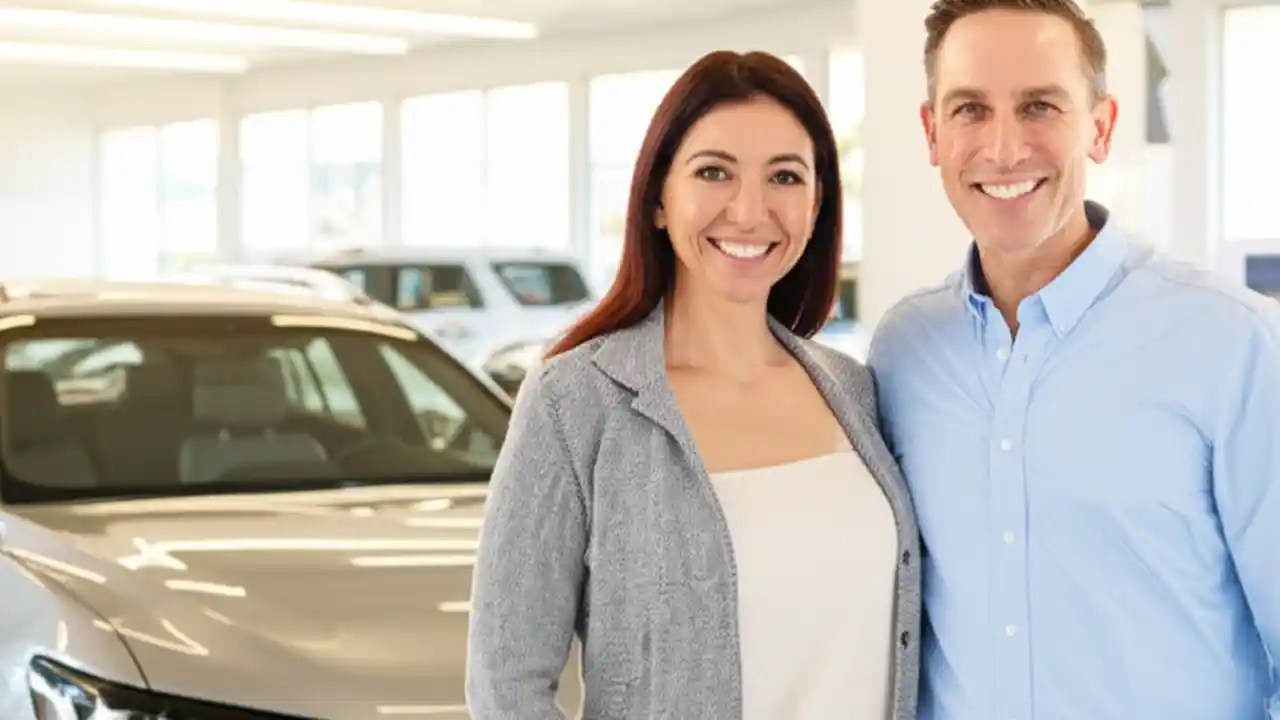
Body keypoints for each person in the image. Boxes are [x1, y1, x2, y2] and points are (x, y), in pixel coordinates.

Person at [467, 50, 920, 720]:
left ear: (817, 205)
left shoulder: (853, 391)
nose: (750, 210)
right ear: (658, 198)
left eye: (785, 177)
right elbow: (505, 686)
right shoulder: (576, 402)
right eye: (714, 172)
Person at [867, 1, 1280, 719]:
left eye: (1039, 106)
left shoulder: (1234, 343)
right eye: (970, 109)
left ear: (1101, 127)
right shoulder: (903, 351)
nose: (1004, 149)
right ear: (933, 133)